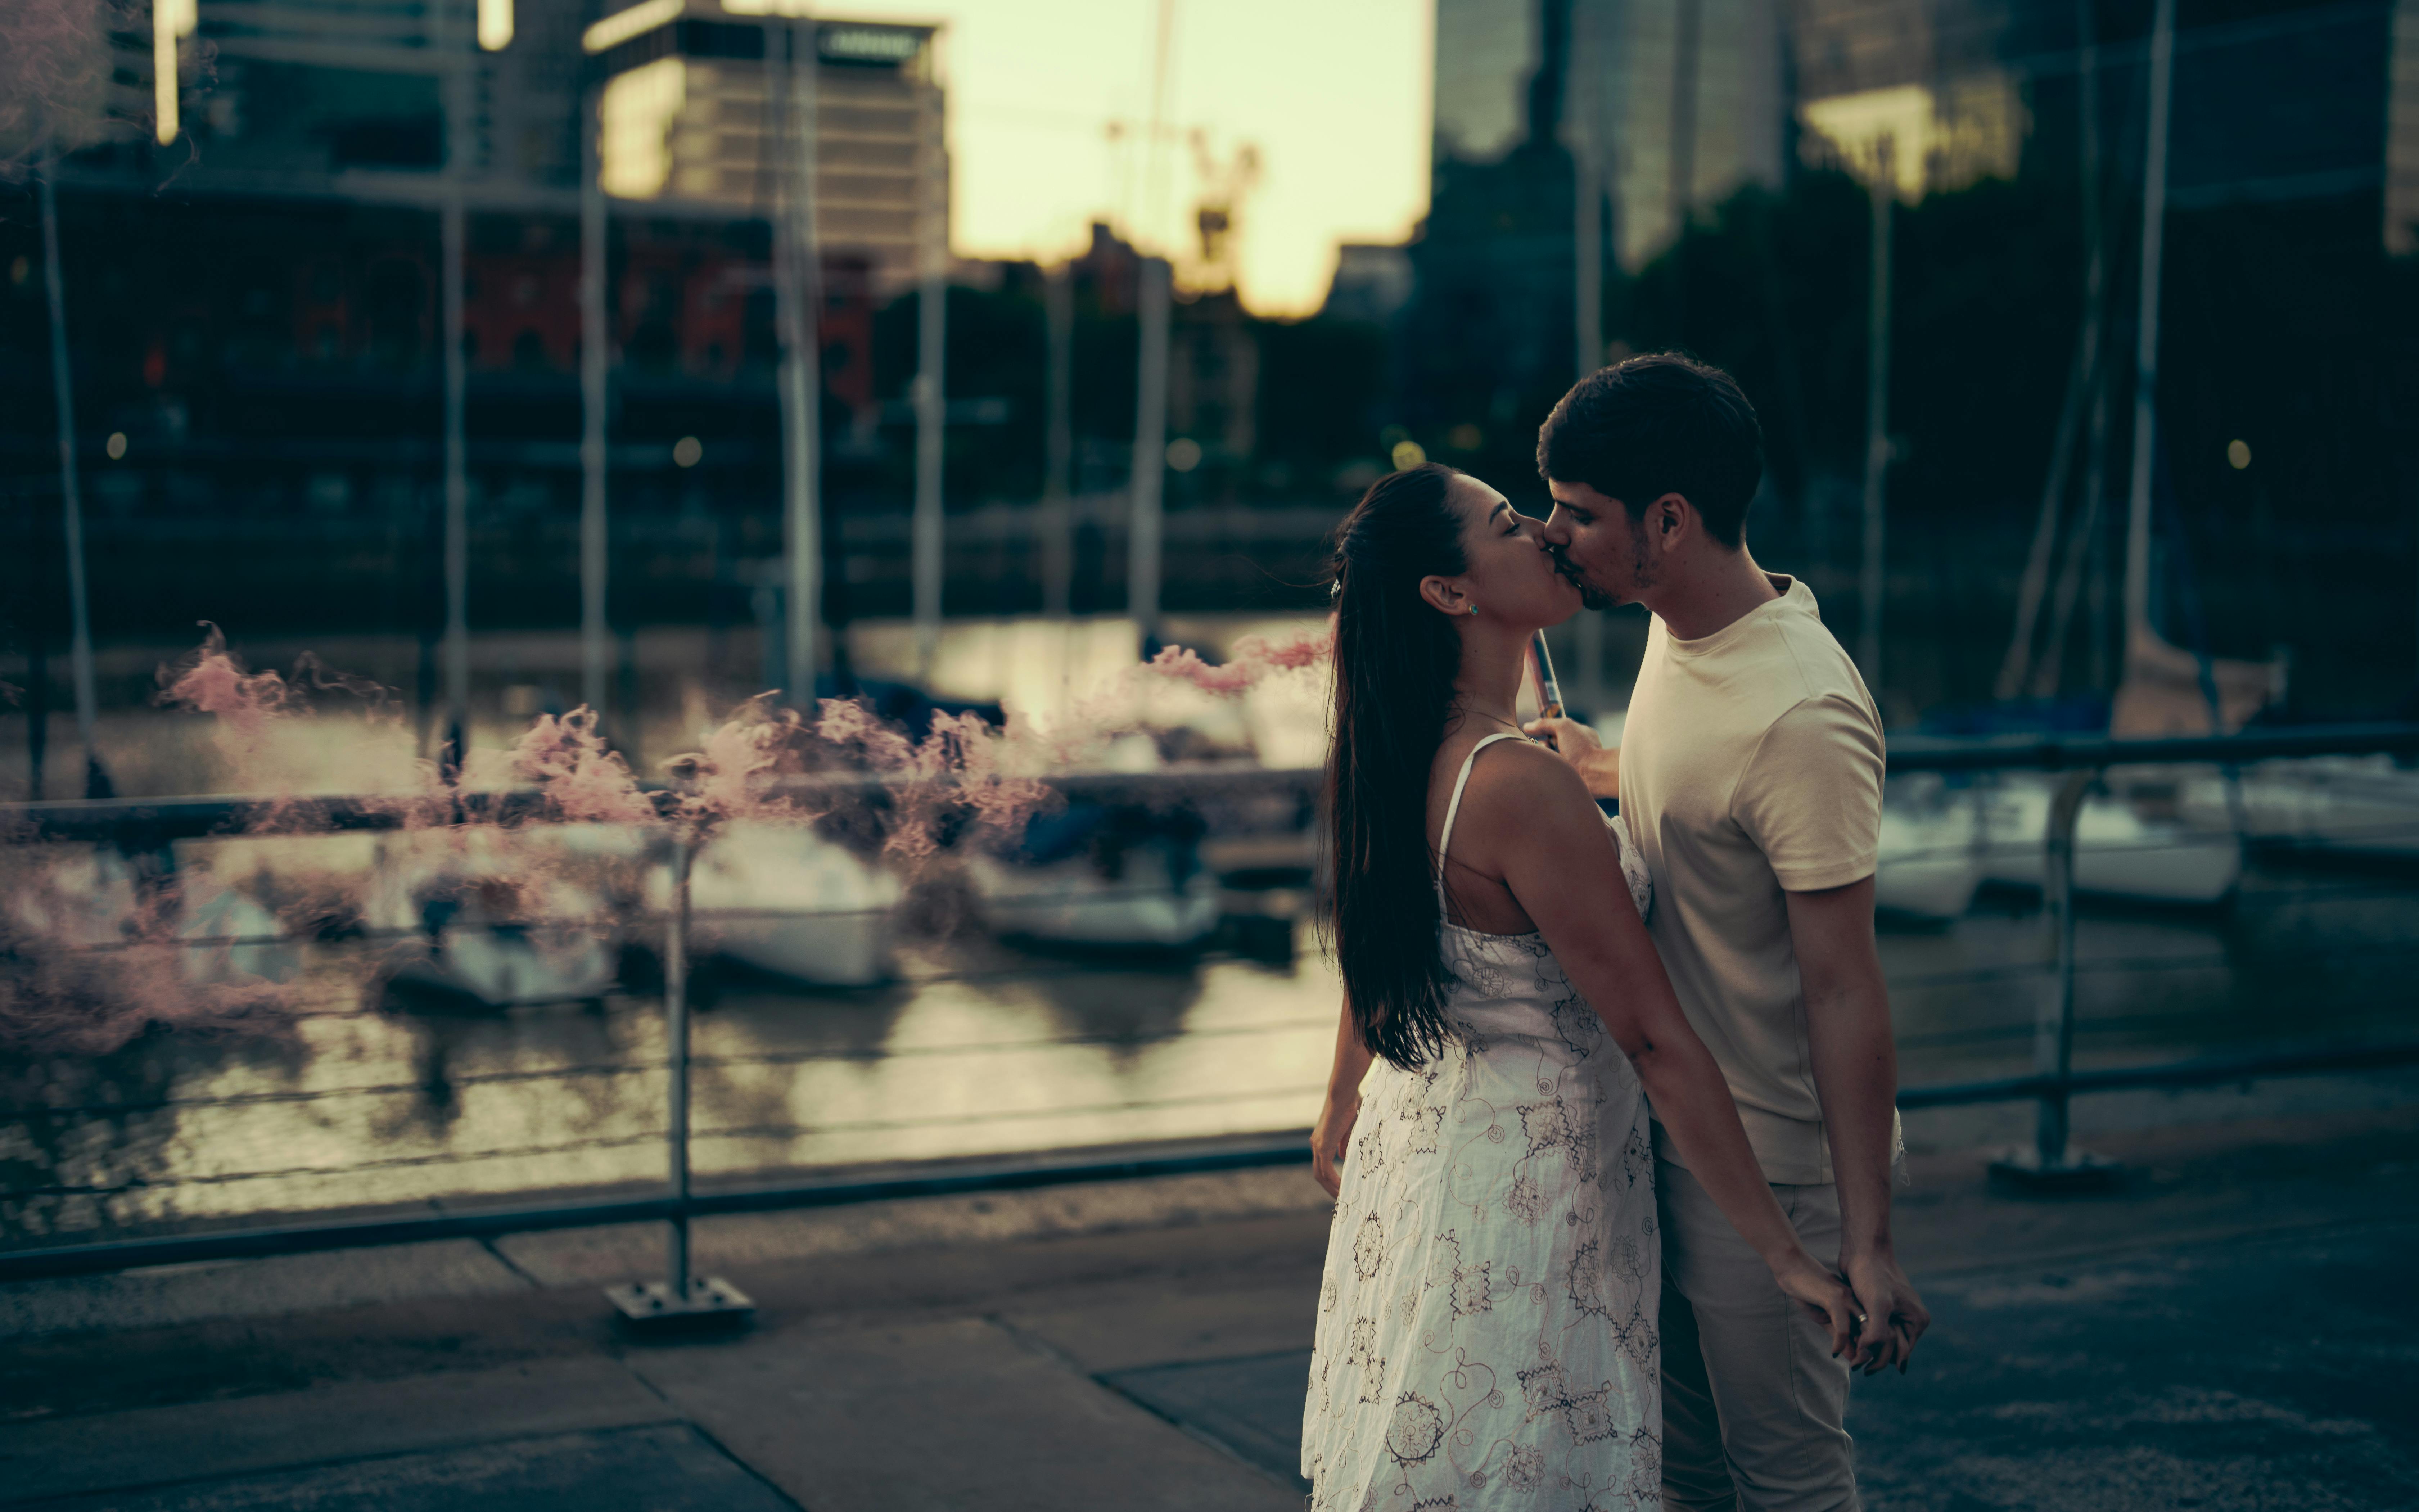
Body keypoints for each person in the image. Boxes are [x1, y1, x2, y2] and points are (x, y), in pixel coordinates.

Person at [1299, 462, 1861, 1511]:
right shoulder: (1518, 785)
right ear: (1449, 591)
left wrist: (1339, 1100)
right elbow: (1651, 1038)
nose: (1546, 534)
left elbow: (1385, 936)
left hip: (1437, 1161)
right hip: (1544, 1190)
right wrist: (1782, 1253)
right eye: (1508, 524)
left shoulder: (1397, 747)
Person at [1526, 353, 1930, 1512]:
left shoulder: (1798, 710)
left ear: (1667, 521)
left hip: (1772, 1163)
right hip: (1669, 1132)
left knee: (1788, 1482)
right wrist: (1602, 768)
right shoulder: (1679, 625)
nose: (1552, 535)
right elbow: (1711, 803)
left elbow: (1844, 988)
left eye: (1577, 512)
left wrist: (1866, 1240)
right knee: (1681, 1474)